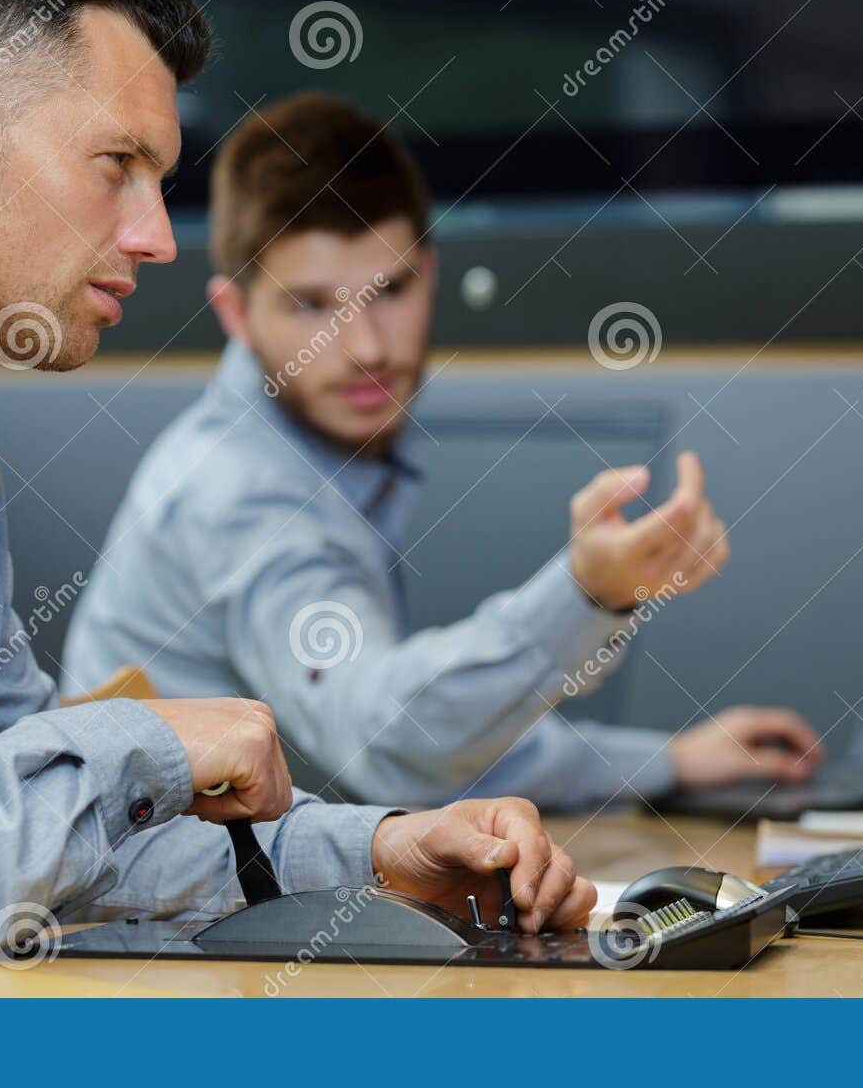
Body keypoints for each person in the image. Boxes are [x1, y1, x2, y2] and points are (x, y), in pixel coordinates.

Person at [0, 0, 591, 999]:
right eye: (117, 166)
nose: (157, 236)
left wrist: (377, 852)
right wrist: (136, 745)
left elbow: (53, 846)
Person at [59, 92, 824, 810]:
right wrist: (585, 592)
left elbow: (442, 749)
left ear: (429, 275)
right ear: (236, 313)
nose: (366, 347)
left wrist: (667, 761)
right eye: (311, 304)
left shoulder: (311, 443)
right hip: (159, 906)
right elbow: (393, 742)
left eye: (389, 291)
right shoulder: (237, 493)